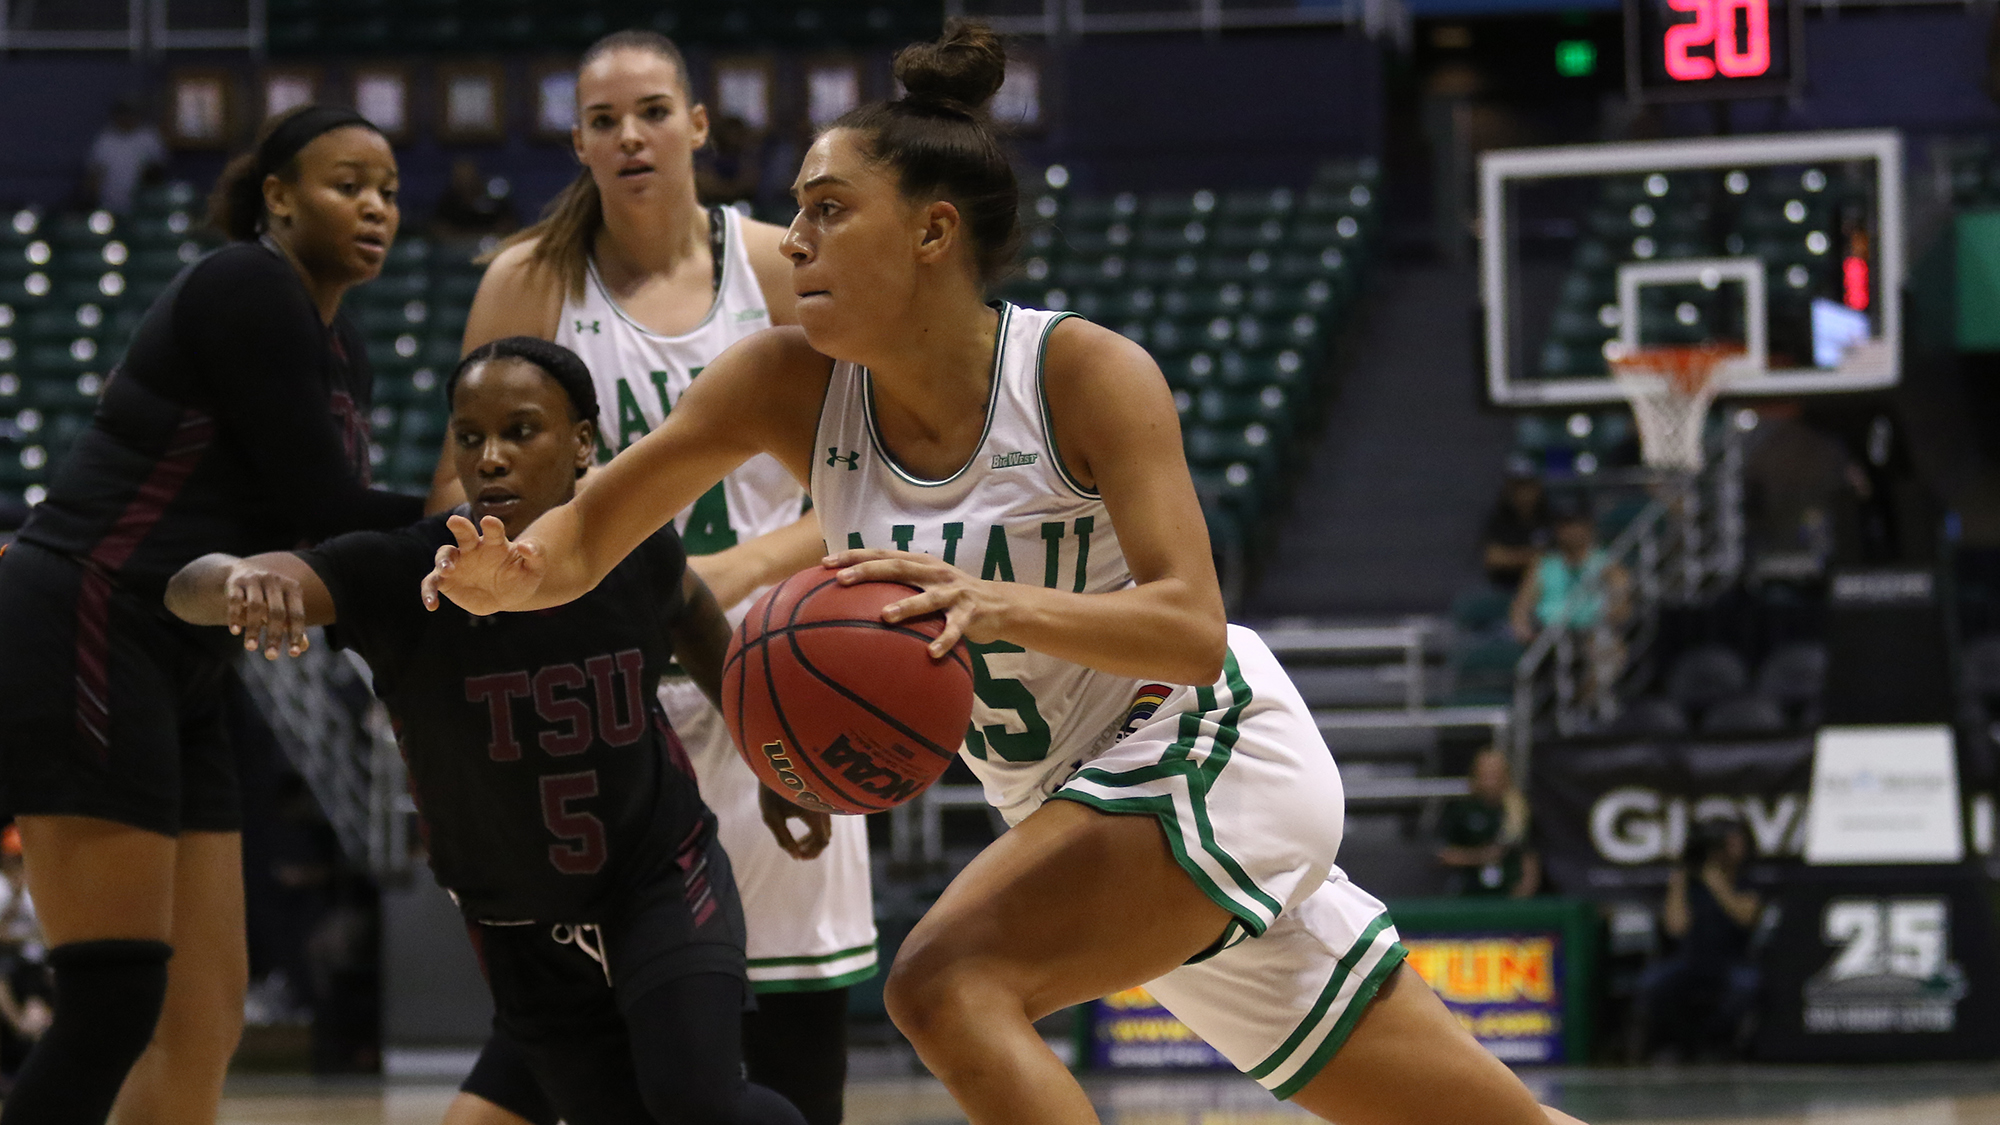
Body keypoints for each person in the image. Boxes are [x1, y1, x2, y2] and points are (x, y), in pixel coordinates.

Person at [422, 23, 1588, 1125]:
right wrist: (509, 577)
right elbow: (587, 534)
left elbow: (1187, 624)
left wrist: (993, 604)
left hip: (1202, 747)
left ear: (931, 233)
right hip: (1066, 804)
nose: (799, 243)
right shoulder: (778, 383)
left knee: (942, 983)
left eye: (828, 213)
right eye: (795, 215)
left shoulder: (1082, 373)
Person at [167, 337, 809, 1125]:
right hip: (516, 920)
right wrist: (240, 578)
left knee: (697, 1101)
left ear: (581, 443)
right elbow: (185, 588)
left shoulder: (633, 545)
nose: (492, 457)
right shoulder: (409, 570)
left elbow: (703, 628)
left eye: (521, 430)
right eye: (470, 437)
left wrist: (777, 765)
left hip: (658, 876)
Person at [442, 29, 870, 1125]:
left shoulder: (781, 266)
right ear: (576, 143)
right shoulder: (528, 280)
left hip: (772, 678)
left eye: (649, 111)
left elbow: (863, 487)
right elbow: (466, 498)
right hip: (604, 713)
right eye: (602, 119)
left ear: (697, 125)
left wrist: (727, 571)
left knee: (787, 1038)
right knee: (599, 1056)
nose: (628, 135)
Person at [0, 104, 422, 1125]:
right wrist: (518, 527)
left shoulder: (344, 347)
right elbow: (331, 512)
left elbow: (323, 546)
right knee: (113, 996)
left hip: (186, 658)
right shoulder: (245, 285)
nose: (375, 206)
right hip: (88, 619)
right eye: (346, 182)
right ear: (277, 198)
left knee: (203, 1016)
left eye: (389, 190)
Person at [1639, 818, 1762, 1061]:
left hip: (1732, 960)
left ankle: (1718, 1043)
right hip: (1689, 959)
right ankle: (1679, 1043)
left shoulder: (1745, 881)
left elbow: (1747, 917)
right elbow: (1676, 927)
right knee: (1653, 984)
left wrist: (1718, 885)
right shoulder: (1689, 883)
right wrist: (1679, 883)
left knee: (1746, 985)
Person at [1435, 747, 1541, 898]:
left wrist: (1525, 890)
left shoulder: (1518, 812)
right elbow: (1444, 854)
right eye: (1486, 774)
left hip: (1508, 894)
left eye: (1496, 774)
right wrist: (1480, 856)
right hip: (1469, 894)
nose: (1491, 780)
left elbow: (1529, 855)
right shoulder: (1459, 810)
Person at [84, 95, 168, 215]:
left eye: (131, 113)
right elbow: (94, 175)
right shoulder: (105, 139)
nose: (127, 117)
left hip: (142, 207)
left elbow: (158, 170)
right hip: (109, 206)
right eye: (123, 113)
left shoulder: (148, 137)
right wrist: (91, 201)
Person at [1479, 467, 1551, 590]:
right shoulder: (1501, 519)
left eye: (1528, 487)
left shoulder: (1549, 517)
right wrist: (1534, 557)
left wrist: (1512, 556)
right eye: (1519, 488)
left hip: (1547, 590)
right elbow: (1493, 559)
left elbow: (1563, 558)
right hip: (1505, 586)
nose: (1524, 494)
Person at [432, 157, 520, 242]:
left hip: (491, 247)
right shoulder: (448, 202)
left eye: (469, 175)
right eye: (461, 177)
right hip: (458, 250)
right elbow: (440, 231)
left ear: (476, 176)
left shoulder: (494, 199)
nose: (466, 182)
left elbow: (509, 226)